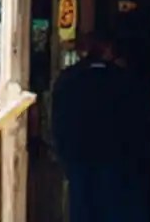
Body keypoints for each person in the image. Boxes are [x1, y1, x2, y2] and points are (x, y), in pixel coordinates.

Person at [51, 31, 141, 222]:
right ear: (108, 51)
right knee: (111, 206)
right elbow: (133, 117)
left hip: (77, 152)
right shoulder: (122, 79)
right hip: (112, 153)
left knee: (80, 205)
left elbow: (58, 114)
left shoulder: (67, 78)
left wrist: (60, 147)